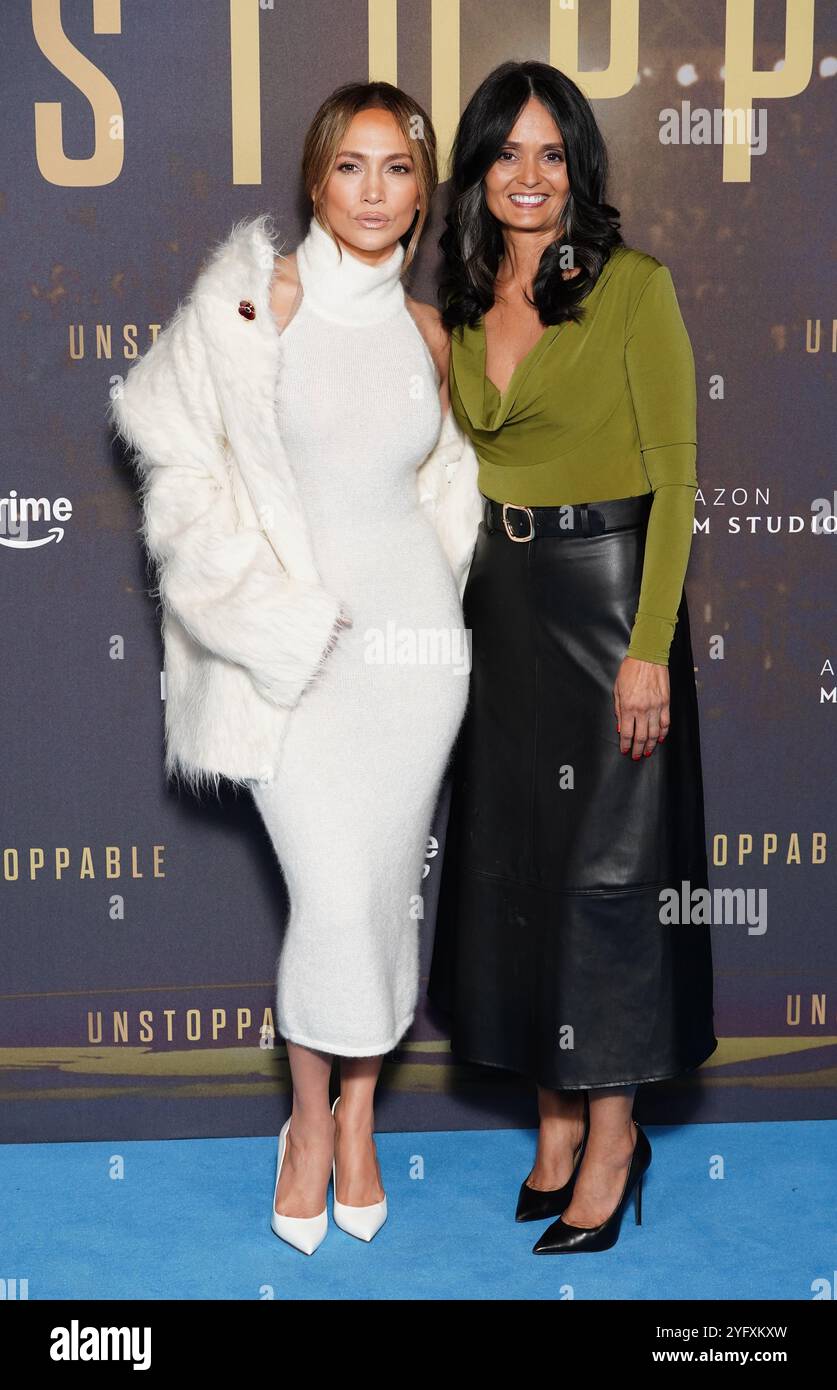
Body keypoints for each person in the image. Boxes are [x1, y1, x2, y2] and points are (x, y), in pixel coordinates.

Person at [109, 80, 483, 1256]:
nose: (374, 192)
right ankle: (306, 1123)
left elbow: (452, 502)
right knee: (329, 894)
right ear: (317, 180)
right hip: (298, 657)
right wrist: (266, 615)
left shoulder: (431, 333)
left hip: (414, 659)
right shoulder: (251, 303)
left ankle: (360, 1118)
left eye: (398, 170)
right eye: (351, 168)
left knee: (381, 893)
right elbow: (175, 462)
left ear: (422, 191)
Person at [427, 59, 717, 1254]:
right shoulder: (451, 294)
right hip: (496, 606)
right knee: (517, 872)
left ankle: (612, 1139)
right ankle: (552, 1124)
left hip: (607, 598)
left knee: (610, 882)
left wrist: (647, 650)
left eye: (552, 153)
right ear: (480, 170)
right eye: (507, 153)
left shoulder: (633, 288)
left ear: (579, 165)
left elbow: (678, 477)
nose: (529, 177)